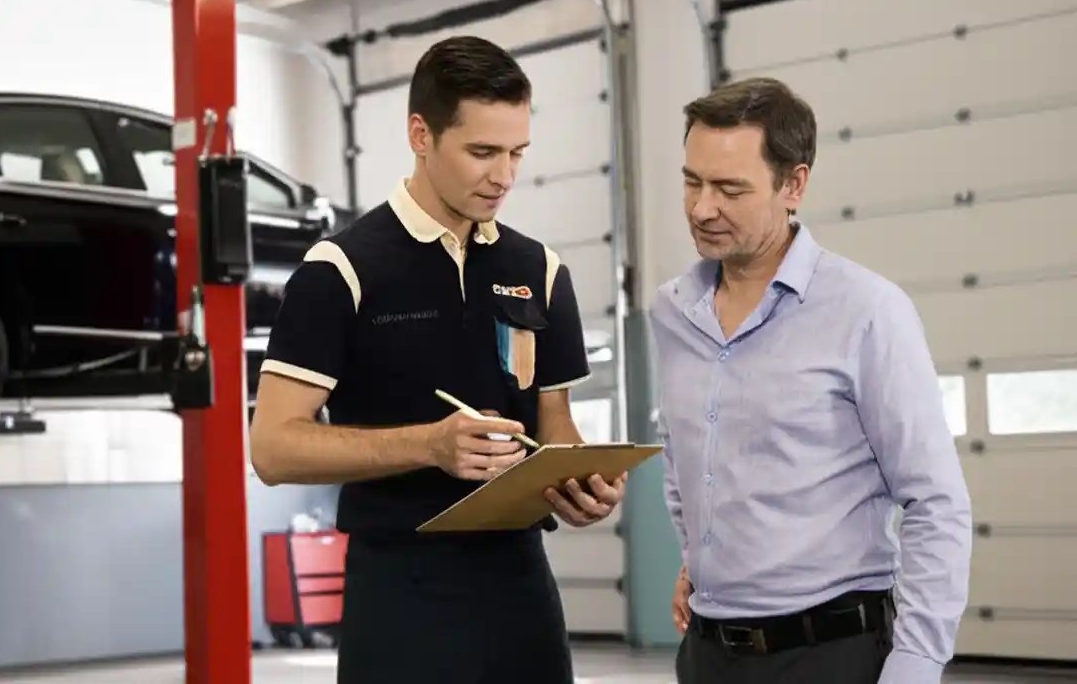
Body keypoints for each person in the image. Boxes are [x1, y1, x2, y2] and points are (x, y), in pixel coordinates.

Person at [249, 35, 627, 684]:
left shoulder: (539, 270)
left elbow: (555, 425)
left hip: (520, 589)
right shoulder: (341, 270)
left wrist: (580, 481)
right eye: (482, 152)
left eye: (517, 152)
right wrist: (429, 445)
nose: (504, 176)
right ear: (420, 135)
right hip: (400, 594)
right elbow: (272, 448)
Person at [651, 76, 973, 684]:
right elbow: (685, 458)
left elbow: (935, 501)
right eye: (692, 181)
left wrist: (916, 663)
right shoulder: (672, 312)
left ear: (793, 185)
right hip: (706, 654)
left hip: (832, 655)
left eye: (730, 189)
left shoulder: (866, 311)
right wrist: (701, 559)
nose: (701, 208)